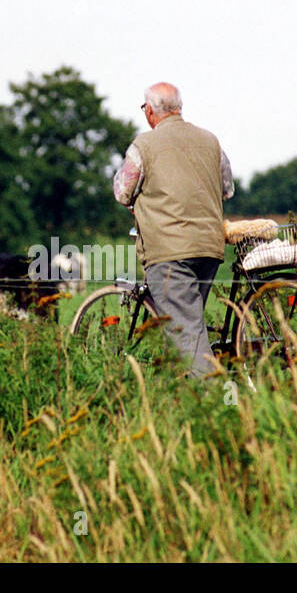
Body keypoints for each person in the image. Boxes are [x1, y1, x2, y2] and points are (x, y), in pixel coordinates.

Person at [112, 82, 234, 377]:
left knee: (187, 332)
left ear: (150, 111)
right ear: (179, 107)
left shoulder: (144, 146)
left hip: (168, 252)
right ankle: (180, 397)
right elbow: (227, 189)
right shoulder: (210, 141)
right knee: (188, 325)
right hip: (209, 249)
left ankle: (217, 402)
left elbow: (121, 191)